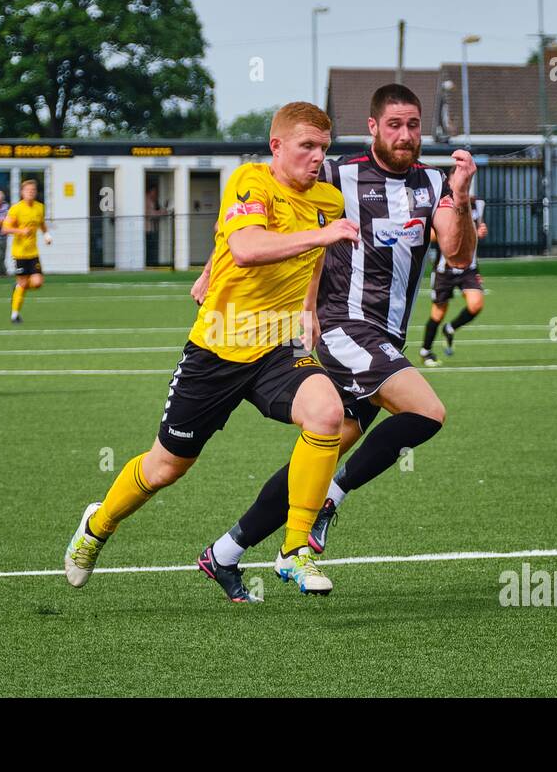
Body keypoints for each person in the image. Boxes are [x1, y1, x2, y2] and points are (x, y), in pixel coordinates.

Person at [63, 101, 358, 602]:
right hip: (217, 346)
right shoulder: (250, 180)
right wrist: (321, 235)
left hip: (276, 346)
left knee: (328, 413)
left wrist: (308, 309)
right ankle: (98, 525)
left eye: (323, 148)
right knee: (165, 468)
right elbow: (245, 247)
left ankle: (293, 550)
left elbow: (306, 260)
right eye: (306, 146)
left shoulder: (328, 198)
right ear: (277, 147)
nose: (316, 157)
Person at [195, 85, 479, 601]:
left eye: (413, 125)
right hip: (342, 325)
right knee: (427, 412)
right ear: (372, 127)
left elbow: (457, 254)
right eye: (394, 124)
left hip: (386, 336)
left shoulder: (435, 182)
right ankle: (326, 505)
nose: (405, 135)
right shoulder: (336, 173)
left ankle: (225, 552)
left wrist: (460, 199)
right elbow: (264, 214)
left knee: (327, 447)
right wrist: (213, 267)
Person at [419, 202, 489, 366]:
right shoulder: (441, 203)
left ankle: (449, 328)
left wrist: (479, 231)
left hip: (469, 269)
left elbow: (479, 228)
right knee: (438, 313)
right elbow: (429, 234)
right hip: (445, 270)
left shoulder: (478, 204)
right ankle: (426, 351)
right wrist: (451, 233)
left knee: (476, 304)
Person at [3, 179, 51, 324]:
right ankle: (15, 315)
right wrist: (21, 231)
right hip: (19, 253)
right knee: (23, 284)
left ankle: (18, 287)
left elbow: (42, 224)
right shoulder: (16, 209)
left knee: (37, 282)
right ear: (22, 193)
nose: (30, 192)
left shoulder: (39, 207)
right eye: (27, 190)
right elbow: (5, 229)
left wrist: (47, 235)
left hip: (33, 253)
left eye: (33, 190)